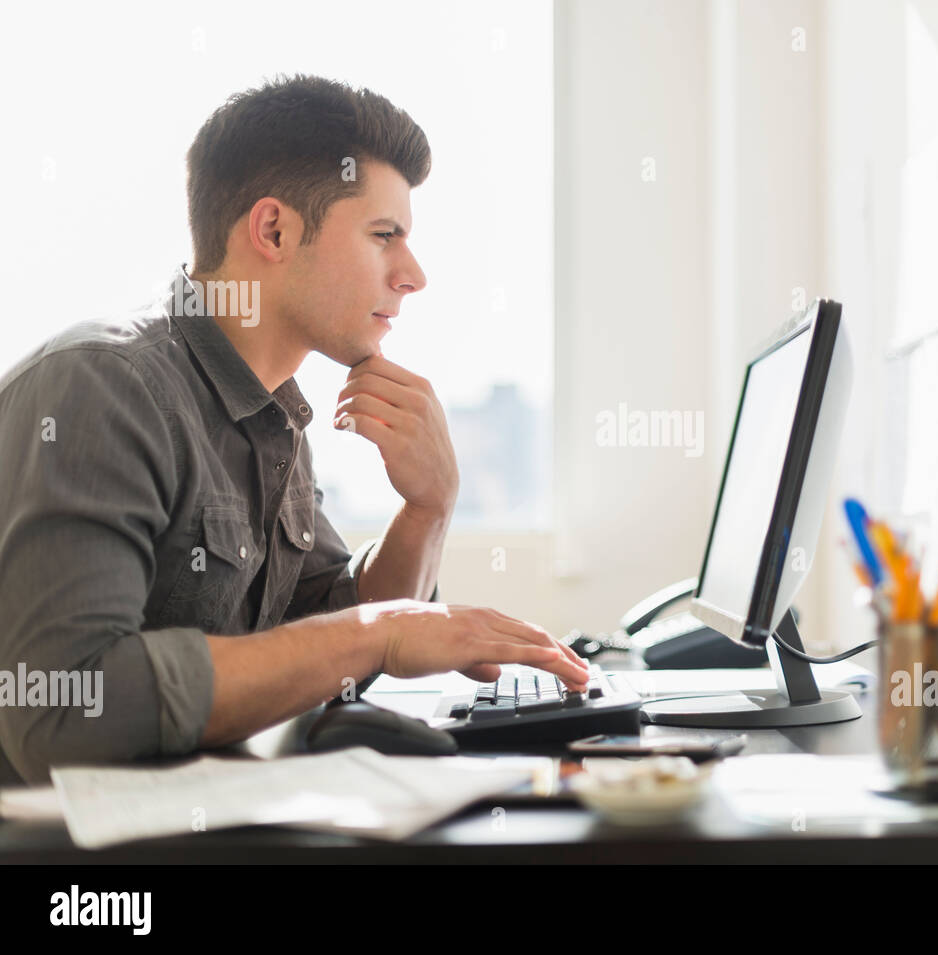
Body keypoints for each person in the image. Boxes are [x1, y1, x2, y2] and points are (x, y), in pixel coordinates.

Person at [0, 74, 587, 785]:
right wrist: (378, 633)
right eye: (383, 236)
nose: (414, 275)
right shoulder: (103, 387)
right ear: (273, 229)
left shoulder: (274, 417)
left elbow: (328, 630)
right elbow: (65, 716)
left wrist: (427, 509)